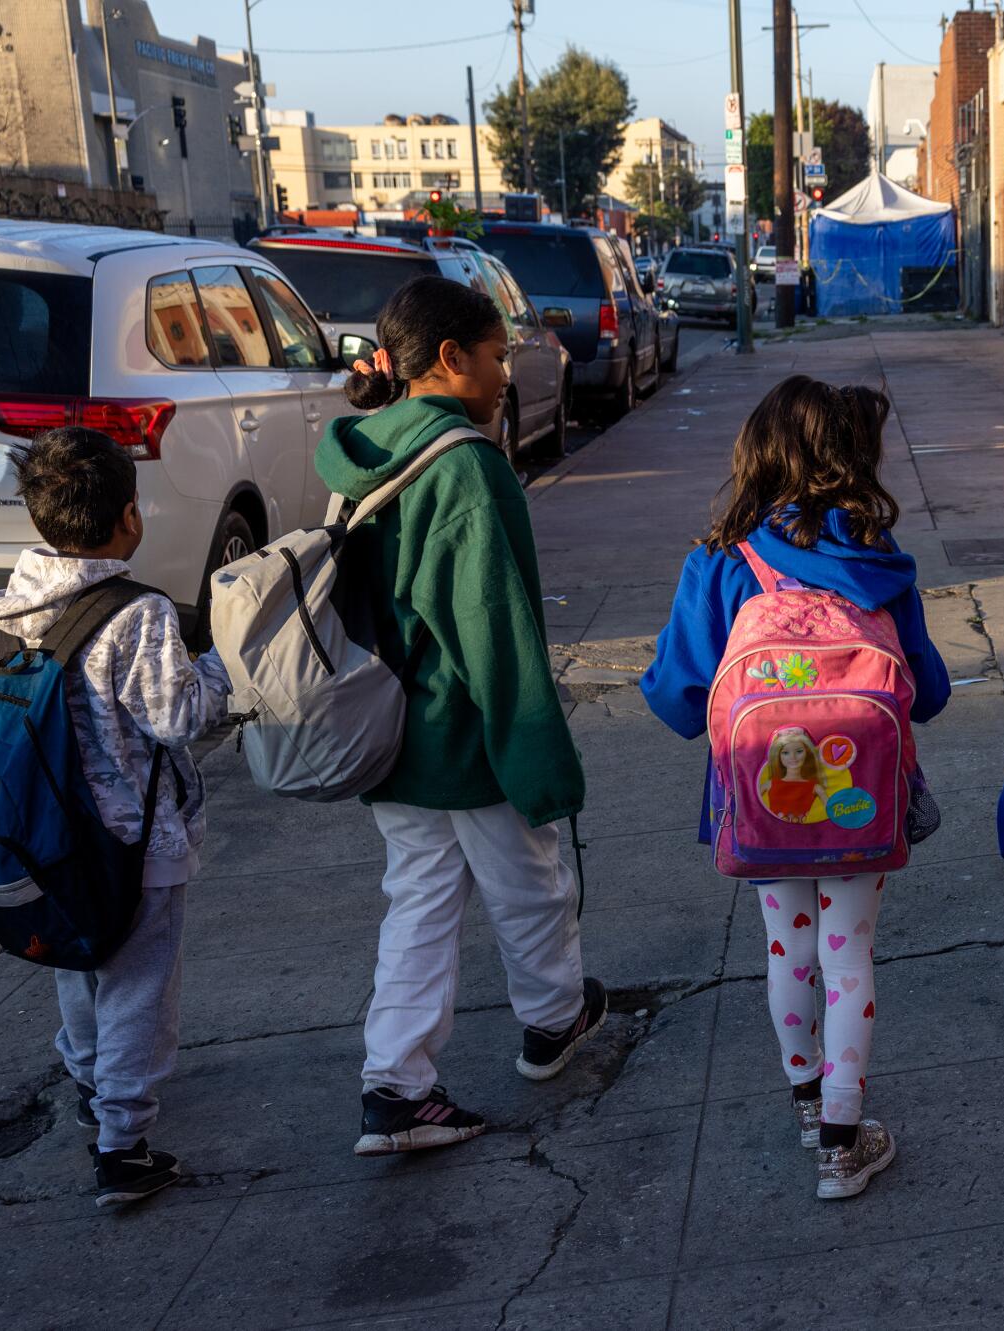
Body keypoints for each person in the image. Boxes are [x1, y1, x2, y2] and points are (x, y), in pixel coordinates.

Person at [641, 374, 951, 1200]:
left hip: (763, 800)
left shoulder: (720, 558)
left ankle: (810, 1103)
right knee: (850, 954)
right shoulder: (878, 559)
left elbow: (677, 694)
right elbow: (932, 687)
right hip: (860, 804)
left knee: (790, 946)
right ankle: (846, 1145)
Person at [317, 275, 603, 1156]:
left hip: (387, 732)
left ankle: (395, 1083)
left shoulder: (366, 447)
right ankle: (554, 1018)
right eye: (495, 354)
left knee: (419, 903)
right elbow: (496, 630)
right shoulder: (466, 468)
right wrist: (541, 757)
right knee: (529, 880)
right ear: (450, 359)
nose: (506, 372)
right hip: (465, 728)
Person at [0, 427, 232, 1206]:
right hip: (131, 841)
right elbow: (178, 716)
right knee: (139, 988)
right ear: (130, 516)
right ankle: (124, 1144)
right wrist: (222, 664)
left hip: (44, 837)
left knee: (81, 967)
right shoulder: (138, 611)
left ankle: (90, 1083)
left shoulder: (11, 601)